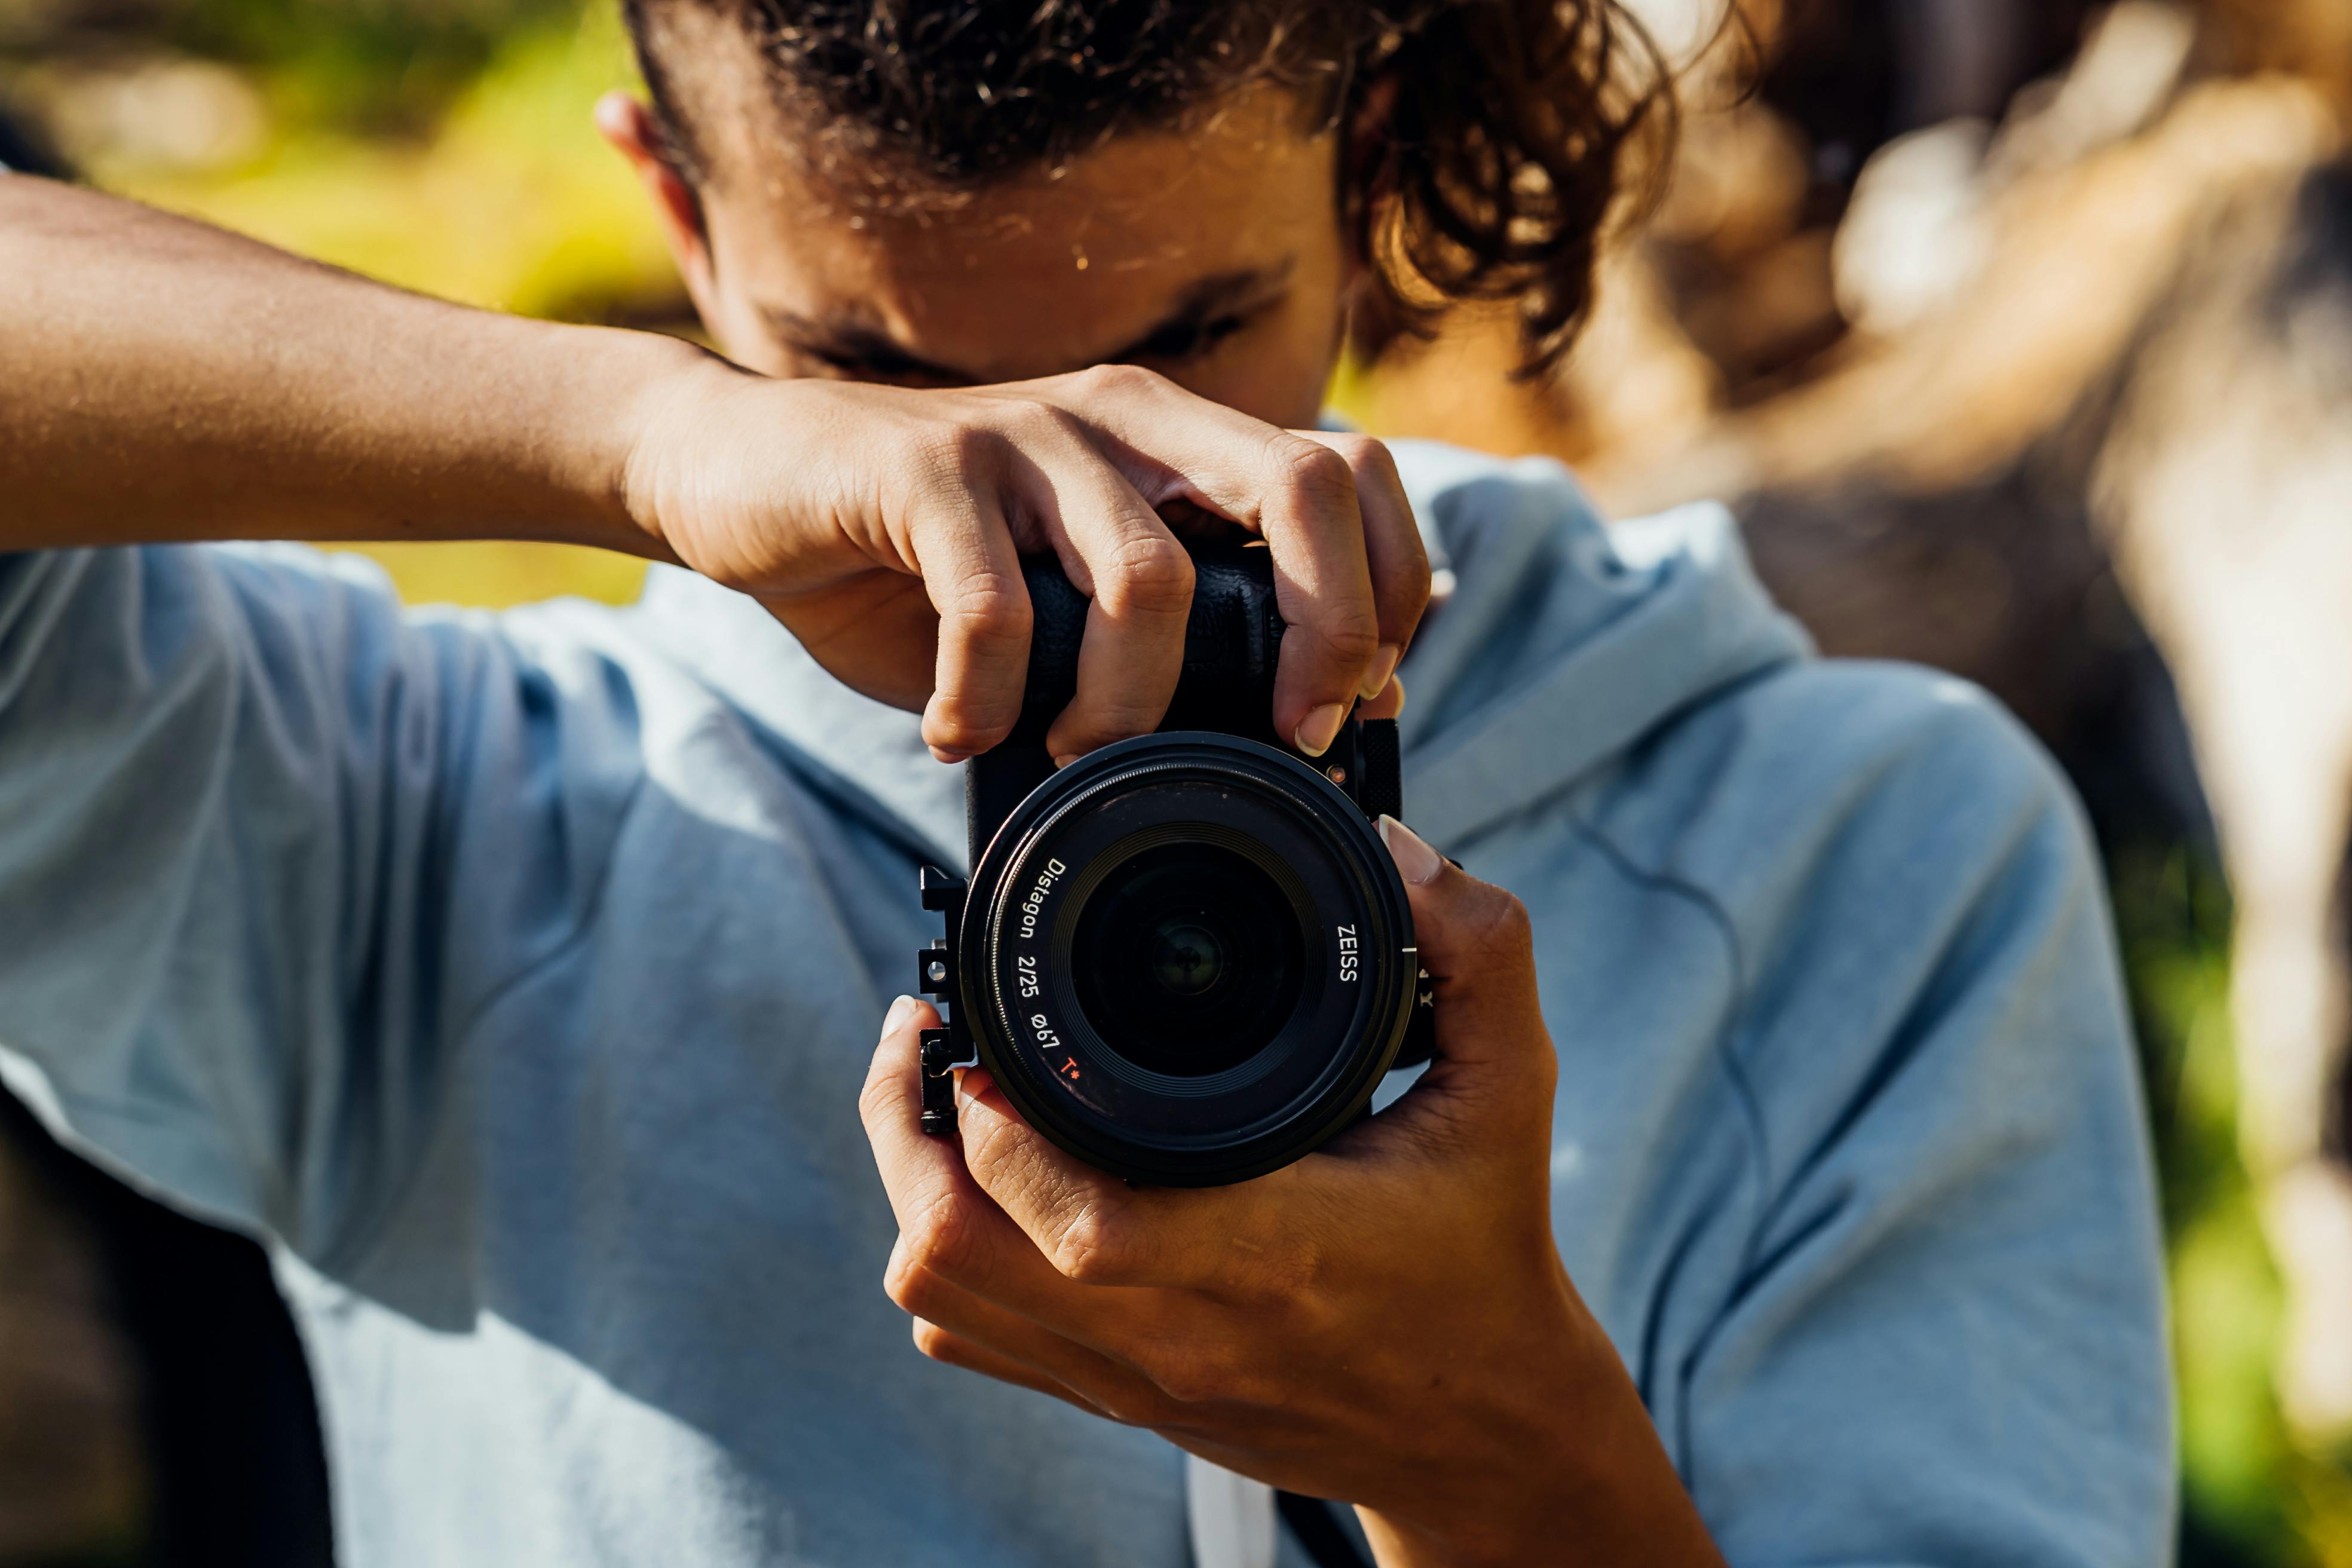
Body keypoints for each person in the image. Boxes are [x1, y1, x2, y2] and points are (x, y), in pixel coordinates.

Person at [0, 0, 2170, 1562]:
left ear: (1370, 139)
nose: (1068, 498)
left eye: (1189, 338)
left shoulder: (1863, 854)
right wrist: (638, 438)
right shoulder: (425, 829)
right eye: (871, 379)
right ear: (668, 204)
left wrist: (1492, 1451)